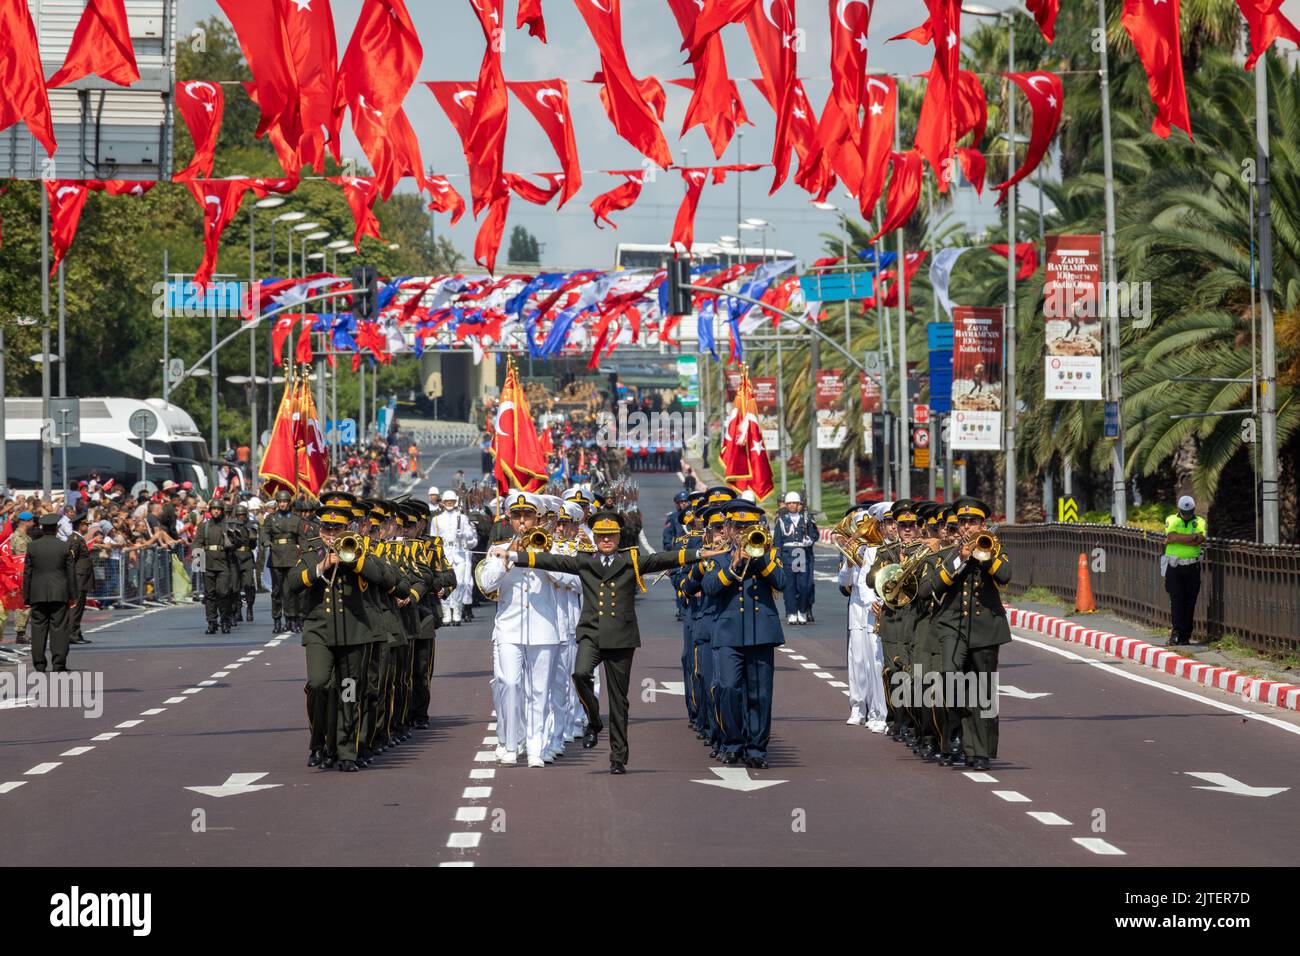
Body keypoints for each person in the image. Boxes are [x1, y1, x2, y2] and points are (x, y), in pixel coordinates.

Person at [287, 499, 396, 773]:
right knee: (319, 684)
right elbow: (292, 583)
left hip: (353, 635)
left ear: (347, 528)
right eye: (327, 528)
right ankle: (320, 741)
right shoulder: (312, 552)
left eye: (337, 528)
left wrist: (353, 560)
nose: (331, 534)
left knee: (349, 692)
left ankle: (347, 751)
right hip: (319, 633)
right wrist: (322, 566)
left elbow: (383, 577)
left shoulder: (359, 551)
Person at [915, 497, 1012, 772]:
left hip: (986, 629)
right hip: (951, 627)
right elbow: (926, 589)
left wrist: (985, 556)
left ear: (983, 524)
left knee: (982, 692)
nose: (968, 527)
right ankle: (953, 731)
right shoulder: (947, 555)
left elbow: (1005, 575)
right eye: (963, 522)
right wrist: (960, 559)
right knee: (948, 678)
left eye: (973, 522)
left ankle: (978, 751)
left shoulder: (995, 550)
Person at [478, 492, 566, 768]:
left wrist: (540, 556)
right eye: (517, 517)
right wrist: (507, 558)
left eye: (528, 516)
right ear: (511, 521)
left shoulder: (551, 549)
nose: (523, 522)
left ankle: (536, 749)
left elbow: (567, 578)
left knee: (540, 691)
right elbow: (488, 584)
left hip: (544, 630)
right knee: (511, 685)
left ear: (538, 518)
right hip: (509, 630)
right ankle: (511, 742)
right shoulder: (499, 548)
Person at [700, 502, 786, 769]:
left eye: (749, 527)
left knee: (760, 694)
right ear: (727, 528)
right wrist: (734, 565)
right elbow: (711, 587)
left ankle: (756, 748)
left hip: (761, 633)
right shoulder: (718, 556)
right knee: (726, 688)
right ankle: (732, 742)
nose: (743, 532)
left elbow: (781, 582)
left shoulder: (769, 554)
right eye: (738, 527)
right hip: (727, 634)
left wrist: (758, 557)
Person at [837, 503, 887, 732]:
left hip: (874, 606)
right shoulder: (856, 551)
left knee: (874, 662)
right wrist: (849, 561)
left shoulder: (878, 549)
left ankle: (878, 710)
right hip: (857, 608)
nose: (861, 533)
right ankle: (858, 708)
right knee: (857, 660)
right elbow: (844, 582)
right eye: (858, 528)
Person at [24, 513, 78, 673]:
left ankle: (39, 664)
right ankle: (58, 663)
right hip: (59, 592)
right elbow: (70, 572)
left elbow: (27, 572)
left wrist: (26, 595)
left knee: (38, 629)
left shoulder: (32, 546)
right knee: (59, 628)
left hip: (37, 592)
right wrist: (73, 595)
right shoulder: (64, 546)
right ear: (56, 528)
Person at [1164, 495, 1206, 646]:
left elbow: (1200, 539)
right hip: (1175, 566)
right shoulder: (1172, 519)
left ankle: (1185, 635)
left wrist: (1179, 538)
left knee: (1190, 601)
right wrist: (1192, 539)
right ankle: (1176, 633)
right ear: (1179, 509)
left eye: (1190, 512)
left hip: (1192, 567)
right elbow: (1171, 536)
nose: (1187, 515)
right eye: (1184, 512)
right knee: (1176, 599)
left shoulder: (1200, 521)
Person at [258, 489, 303, 632]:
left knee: (291, 590)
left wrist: (302, 548)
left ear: (289, 503)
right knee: (277, 591)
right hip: (276, 556)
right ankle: (277, 620)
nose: (282, 504)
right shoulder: (271, 519)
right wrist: (266, 542)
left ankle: (292, 619)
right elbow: (264, 533)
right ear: (277, 503)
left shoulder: (296, 519)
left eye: (285, 501)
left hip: (292, 556)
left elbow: (302, 537)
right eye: (280, 502)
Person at [430, 490, 476, 626]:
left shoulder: (462, 518)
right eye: (447, 501)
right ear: (443, 503)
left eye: (452, 501)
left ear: (455, 503)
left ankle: (457, 610)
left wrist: (463, 534)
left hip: (459, 551)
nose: (449, 503)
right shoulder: (436, 519)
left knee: (460, 583)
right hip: (444, 552)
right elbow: (433, 538)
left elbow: (470, 535)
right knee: (443, 583)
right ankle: (446, 612)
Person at [773, 491, 818, 625]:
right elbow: (777, 542)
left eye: (795, 503)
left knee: (805, 585)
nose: (792, 505)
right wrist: (778, 558)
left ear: (799, 504)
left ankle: (802, 610)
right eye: (790, 503)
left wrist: (810, 540)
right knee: (790, 586)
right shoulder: (781, 521)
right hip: (788, 555)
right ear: (786, 505)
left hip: (803, 554)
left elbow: (814, 535)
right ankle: (792, 612)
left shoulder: (806, 520)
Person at [194, 498, 237, 634]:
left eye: (218, 509)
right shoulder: (203, 526)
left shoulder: (228, 525)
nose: (216, 511)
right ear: (210, 511)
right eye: (213, 509)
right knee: (210, 594)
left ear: (222, 511)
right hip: (208, 563)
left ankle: (225, 621)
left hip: (224, 563)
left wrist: (233, 537)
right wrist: (197, 565)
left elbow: (238, 543)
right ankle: (212, 622)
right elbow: (196, 544)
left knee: (223, 593)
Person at [1, 512, 35, 645]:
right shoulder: (19, 538)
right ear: (26, 522)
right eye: (32, 521)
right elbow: (22, 560)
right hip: (20, 576)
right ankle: (20, 633)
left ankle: (21, 632)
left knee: (24, 604)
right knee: (22, 605)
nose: (34, 523)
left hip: (20, 575)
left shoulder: (24, 537)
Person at [66, 512, 96, 645]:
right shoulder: (74, 539)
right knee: (76, 607)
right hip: (78, 578)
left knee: (79, 607)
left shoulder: (79, 538)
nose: (87, 527)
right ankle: (71, 634)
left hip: (82, 578)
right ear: (80, 525)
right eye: (85, 525)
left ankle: (77, 633)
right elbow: (70, 560)